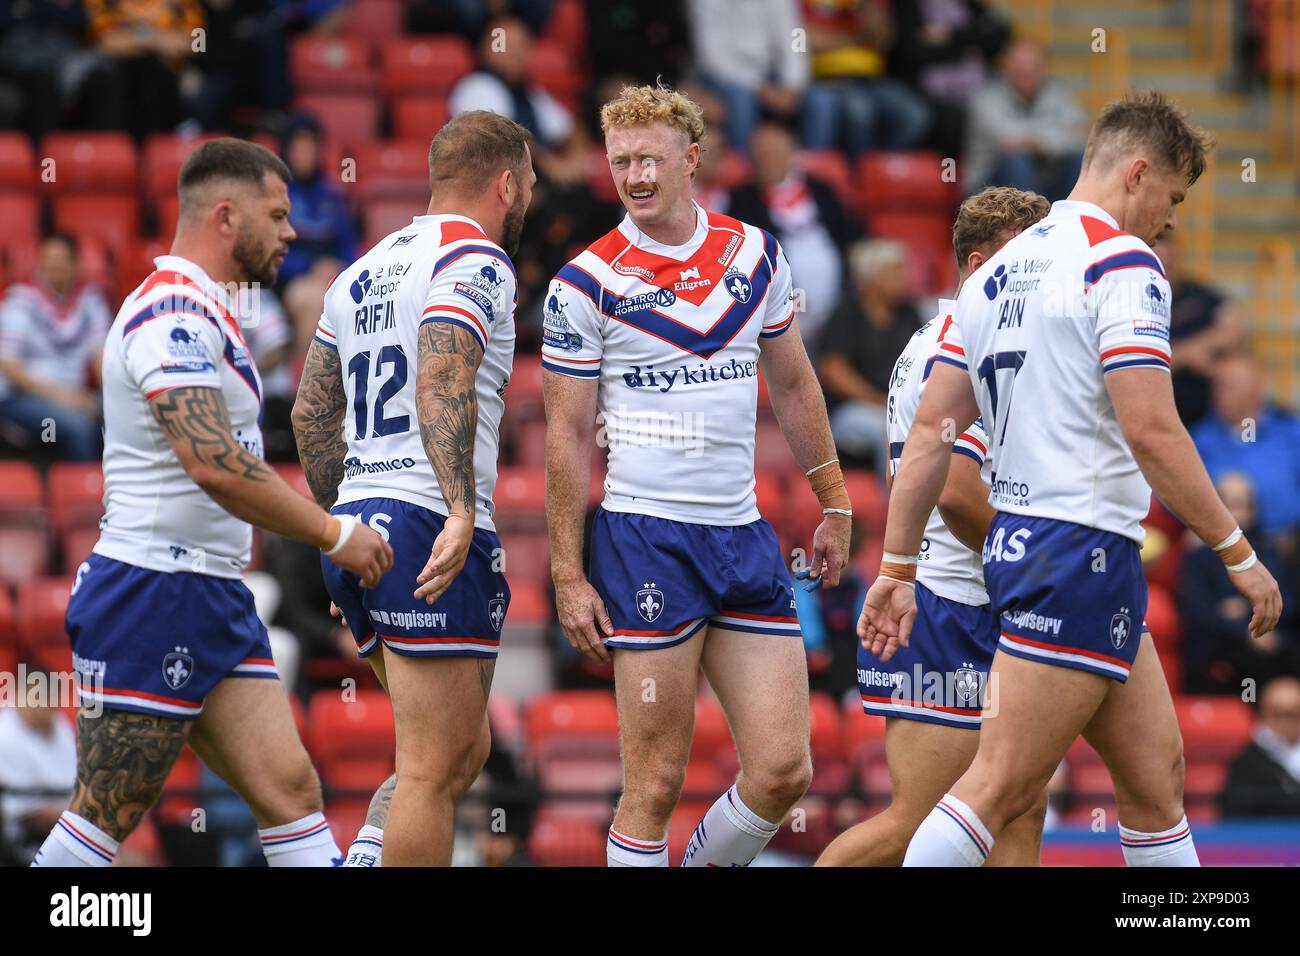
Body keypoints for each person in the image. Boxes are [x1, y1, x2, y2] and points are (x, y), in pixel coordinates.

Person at [860, 90, 1282, 868]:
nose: (1172, 220)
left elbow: (931, 431)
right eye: (1175, 198)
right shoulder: (1123, 262)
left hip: (1036, 546)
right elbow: (1153, 429)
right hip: (1080, 547)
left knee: (1158, 782)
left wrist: (894, 566)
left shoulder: (996, 273)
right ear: (1140, 173)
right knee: (996, 791)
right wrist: (1237, 553)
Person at [32, 138, 394, 869]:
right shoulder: (170, 315)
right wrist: (333, 534)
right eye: (278, 214)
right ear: (226, 217)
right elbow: (215, 465)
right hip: (151, 588)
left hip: (213, 593)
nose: (293, 233)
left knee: (291, 788)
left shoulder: (213, 316)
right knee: (108, 813)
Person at [542, 83, 851, 867]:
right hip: (644, 539)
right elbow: (567, 434)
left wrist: (835, 500)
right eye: (620, 162)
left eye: (650, 158)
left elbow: (793, 383)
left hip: (743, 534)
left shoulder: (754, 252)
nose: (636, 175)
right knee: (655, 782)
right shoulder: (585, 280)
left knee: (784, 771)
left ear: (693, 158)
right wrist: (567, 574)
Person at [294, 111, 535, 867]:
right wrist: (462, 508)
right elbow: (440, 377)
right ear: (505, 183)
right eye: (528, 182)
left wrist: (343, 527)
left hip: (366, 519)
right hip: (426, 519)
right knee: (434, 772)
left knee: (461, 750)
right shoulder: (481, 260)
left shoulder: (358, 271)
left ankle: (365, 858)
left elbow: (310, 414)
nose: (531, 195)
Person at [817, 185, 1051, 867]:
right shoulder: (963, 347)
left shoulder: (952, 338)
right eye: (1028, 261)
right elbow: (956, 491)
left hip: (974, 601)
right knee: (918, 824)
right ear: (979, 265)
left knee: (1018, 809)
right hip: (949, 606)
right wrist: (1040, 566)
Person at [726, 118, 861, 349]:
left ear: (793, 153)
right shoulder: (743, 200)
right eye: (761, 152)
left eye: (775, 150)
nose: (768, 157)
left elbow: (851, 234)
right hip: (785, 305)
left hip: (840, 300)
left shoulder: (820, 189)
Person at [1177, 472, 1299, 692]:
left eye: (1245, 505)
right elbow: (1198, 614)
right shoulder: (1199, 556)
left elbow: (1288, 604)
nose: (1239, 513)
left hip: (1272, 642)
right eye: (1231, 505)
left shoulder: (1270, 552)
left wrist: (1241, 610)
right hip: (1221, 648)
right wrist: (1246, 630)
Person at [0, 233, 111, 461]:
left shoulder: (91, 301)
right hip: (20, 400)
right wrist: (65, 398)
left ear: (75, 264)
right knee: (78, 428)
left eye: (61, 258)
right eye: (48, 258)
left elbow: (101, 358)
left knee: (126, 417)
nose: (54, 264)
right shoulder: (20, 301)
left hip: (78, 396)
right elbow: (10, 366)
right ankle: (83, 493)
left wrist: (114, 397)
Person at [818, 239, 923, 468]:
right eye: (893, 272)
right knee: (886, 429)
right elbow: (834, 371)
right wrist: (881, 402)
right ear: (870, 278)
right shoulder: (845, 314)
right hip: (851, 410)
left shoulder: (909, 313)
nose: (902, 277)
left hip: (901, 407)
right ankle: (896, 502)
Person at [800, 0, 931, 155]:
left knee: (915, 115)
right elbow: (802, 40)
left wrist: (866, 8)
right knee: (859, 111)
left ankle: (886, 171)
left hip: (871, 81)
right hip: (823, 79)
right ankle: (856, 174)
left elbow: (882, 41)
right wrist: (854, 38)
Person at [1192, 353, 1300, 539]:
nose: (1218, 394)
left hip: (1286, 544)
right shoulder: (1201, 437)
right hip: (1221, 544)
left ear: (1254, 390)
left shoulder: (1289, 431)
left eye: (1227, 387)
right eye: (1216, 386)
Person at [963, 39, 1087, 200]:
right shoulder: (985, 98)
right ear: (1006, 66)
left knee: (1080, 158)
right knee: (1016, 161)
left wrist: (1037, 144)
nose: (1026, 70)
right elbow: (1008, 142)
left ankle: (1072, 221)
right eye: (1020, 64)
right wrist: (1052, 136)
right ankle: (1029, 222)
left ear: (1044, 68)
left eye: (1032, 65)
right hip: (989, 191)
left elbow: (1080, 135)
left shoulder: (1058, 94)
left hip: (1045, 184)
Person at [1151, 235, 1247, 428]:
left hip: (1207, 411)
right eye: (1158, 264)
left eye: (1170, 262)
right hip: (1156, 408)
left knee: (1240, 371)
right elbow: (1143, 362)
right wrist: (1187, 355)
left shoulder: (1198, 296)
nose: (1166, 270)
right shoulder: (1134, 302)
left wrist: (1197, 349)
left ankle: (1249, 446)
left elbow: (1233, 325)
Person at [685, 0, 808, 149]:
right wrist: (759, 88)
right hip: (722, 77)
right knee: (742, 101)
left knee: (820, 102)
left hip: (772, 74)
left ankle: (808, 168)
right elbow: (712, 58)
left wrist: (792, 86)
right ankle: (742, 166)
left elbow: (795, 39)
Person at [0, 674, 76, 865]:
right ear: (19, 696)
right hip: (22, 843)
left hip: (70, 828)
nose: (43, 705)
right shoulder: (5, 734)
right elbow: (28, 815)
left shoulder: (61, 725)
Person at [1220, 676, 1300, 818]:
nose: (1287, 722)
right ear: (1263, 714)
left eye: (1294, 713)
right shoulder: (1244, 764)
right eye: (1278, 714)